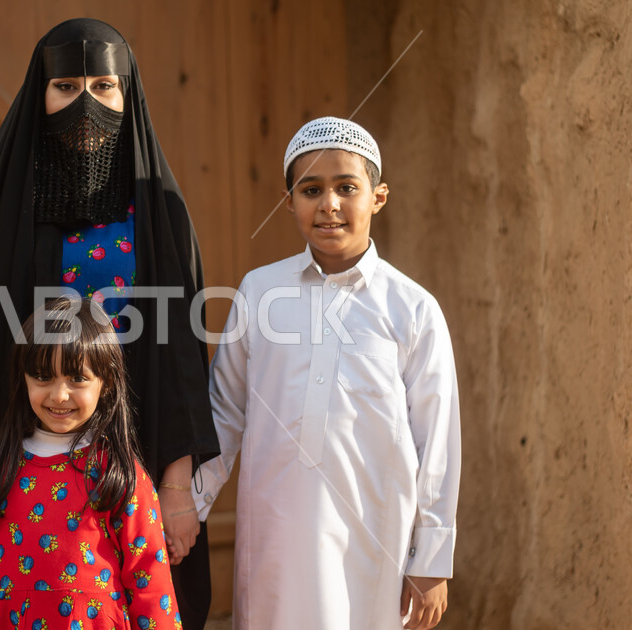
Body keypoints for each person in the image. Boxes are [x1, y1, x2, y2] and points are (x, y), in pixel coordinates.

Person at [0, 17, 218, 628]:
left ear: (127, 94)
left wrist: (175, 488)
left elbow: (179, 363)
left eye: (102, 86)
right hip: (20, 466)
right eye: (65, 86)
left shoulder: (160, 213)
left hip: (130, 468)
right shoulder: (2, 204)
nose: (84, 103)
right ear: (40, 93)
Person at [192, 117, 461, 630]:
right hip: (276, 534)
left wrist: (431, 560)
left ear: (378, 197)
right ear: (289, 200)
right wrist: (190, 505)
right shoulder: (259, 291)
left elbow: (437, 442)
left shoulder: (412, 308)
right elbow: (224, 412)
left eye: (346, 188)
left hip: (372, 535)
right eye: (311, 189)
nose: (329, 204)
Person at [0, 298, 178, 629]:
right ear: (23, 379)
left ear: (106, 383)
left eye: (77, 379)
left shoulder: (119, 474)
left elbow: (151, 585)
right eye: (43, 377)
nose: (59, 395)